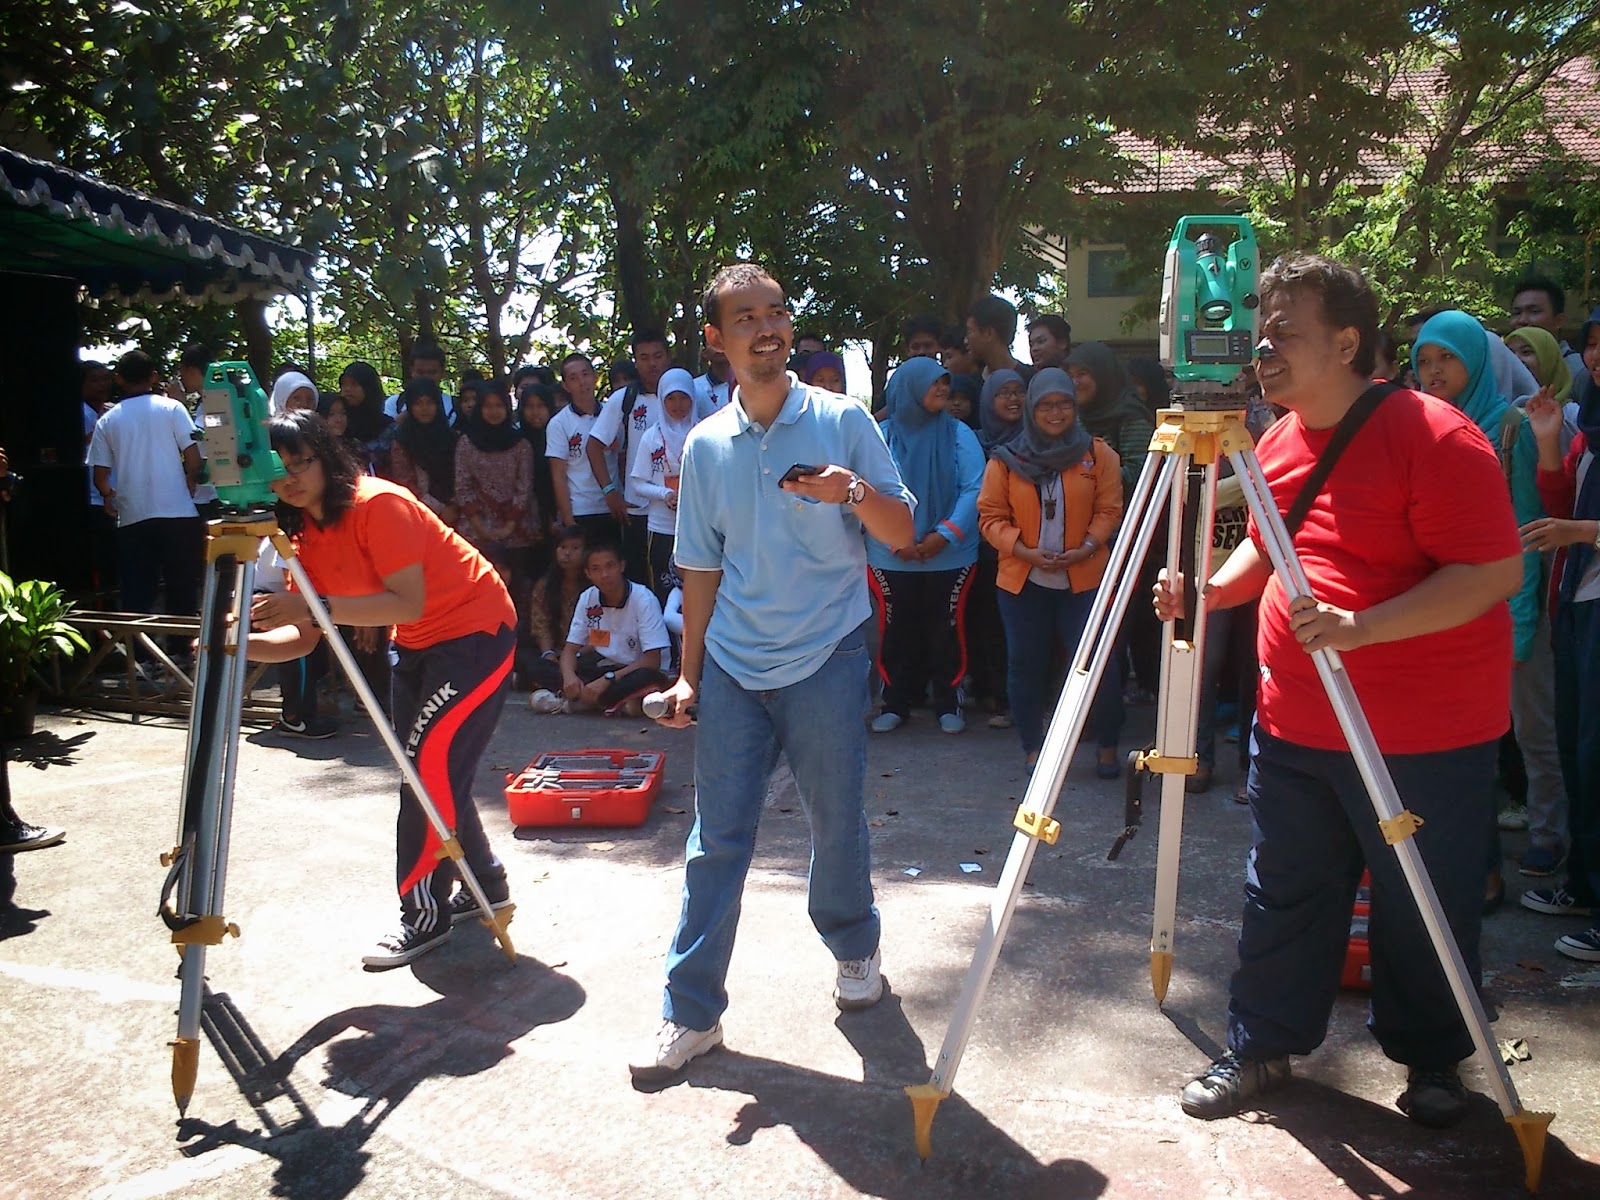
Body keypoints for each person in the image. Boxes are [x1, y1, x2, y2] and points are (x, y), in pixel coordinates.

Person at [1158, 254, 1524, 1130]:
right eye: (1262, 329)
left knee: (1422, 900)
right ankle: (1262, 1043)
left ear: (1348, 341)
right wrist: (1211, 591)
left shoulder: (1435, 436)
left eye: (1285, 329)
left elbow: (1492, 570)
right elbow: (1271, 545)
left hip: (1422, 734)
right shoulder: (1277, 435)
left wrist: (1365, 628)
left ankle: (1434, 1059)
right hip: (1294, 725)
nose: (1262, 346)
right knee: (1282, 889)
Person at [631, 262, 914, 1083]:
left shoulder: (842, 418)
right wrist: (688, 676)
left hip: (827, 653)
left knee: (836, 820)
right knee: (714, 840)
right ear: (717, 340)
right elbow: (700, 570)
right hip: (730, 666)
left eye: (778, 311)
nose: (768, 327)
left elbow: (899, 531)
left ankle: (855, 952)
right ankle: (689, 1014)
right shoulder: (708, 445)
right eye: (746, 317)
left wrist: (850, 490)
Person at [247, 410, 517, 967]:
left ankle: (423, 917)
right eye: (280, 470)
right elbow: (303, 636)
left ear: (326, 456)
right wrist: (237, 647)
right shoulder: (296, 531)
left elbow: (405, 601)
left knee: (423, 777)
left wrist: (312, 606)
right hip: (417, 644)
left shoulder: (378, 504)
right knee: (434, 771)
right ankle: (486, 885)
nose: (293, 478)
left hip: (477, 632)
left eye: (303, 462)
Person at [1413, 311, 1550, 897]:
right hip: (1432, 610)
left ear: (1475, 359)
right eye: (1423, 360)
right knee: (1438, 750)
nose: (1434, 371)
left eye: (1447, 358)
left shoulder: (1508, 427)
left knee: (1496, 746)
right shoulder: (1418, 426)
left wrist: (1518, 628)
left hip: (1493, 612)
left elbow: (1525, 532)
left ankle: (1498, 868)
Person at [978, 368, 1123, 769]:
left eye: (1064, 403)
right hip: (1023, 579)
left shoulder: (1097, 454)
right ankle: (1033, 748)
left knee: (1099, 661)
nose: (1056, 412)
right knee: (1026, 664)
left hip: (1086, 576)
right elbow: (990, 517)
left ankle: (1107, 743)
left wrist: (1088, 546)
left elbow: (1110, 509)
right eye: (1045, 404)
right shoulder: (1006, 461)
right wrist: (1022, 550)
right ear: (1031, 408)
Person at [1518, 304, 1600, 961]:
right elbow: (1558, 509)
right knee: (1580, 749)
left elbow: (1570, 526)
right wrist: (1548, 436)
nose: (1597, 357)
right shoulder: (1589, 429)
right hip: (1576, 603)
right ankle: (1583, 885)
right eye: (1593, 345)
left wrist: (1582, 534)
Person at [865, 357, 985, 734]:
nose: (943, 389)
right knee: (894, 631)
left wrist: (943, 535)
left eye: (945, 383)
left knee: (946, 630)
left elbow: (975, 488)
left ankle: (949, 703)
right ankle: (895, 703)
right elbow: (864, 491)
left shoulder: (958, 434)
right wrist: (893, 539)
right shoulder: (880, 436)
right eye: (934, 383)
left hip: (949, 556)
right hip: (890, 556)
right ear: (910, 388)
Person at [88, 350, 204, 618]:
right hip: (178, 512)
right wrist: (189, 482)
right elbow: (193, 456)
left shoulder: (108, 420)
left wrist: (108, 497)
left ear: (118, 379)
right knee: (182, 587)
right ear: (154, 376)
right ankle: (183, 649)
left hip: (133, 516)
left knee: (137, 589)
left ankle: (140, 654)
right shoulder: (173, 408)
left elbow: (100, 475)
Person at [585, 329, 672, 582]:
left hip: (682, 506)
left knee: (678, 579)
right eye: (643, 357)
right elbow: (593, 445)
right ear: (635, 361)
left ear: (668, 357)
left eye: (657, 356)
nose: (651, 363)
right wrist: (609, 491)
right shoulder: (624, 399)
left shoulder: (688, 393)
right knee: (642, 579)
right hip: (639, 507)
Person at [551, 541, 672, 714]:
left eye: (610, 566)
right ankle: (615, 703)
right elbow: (569, 650)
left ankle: (582, 702)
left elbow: (652, 661)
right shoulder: (588, 597)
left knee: (645, 678)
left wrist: (608, 679)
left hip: (636, 671)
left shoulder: (643, 599)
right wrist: (569, 677)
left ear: (621, 566)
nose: (605, 574)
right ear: (588, 574)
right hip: (604, 665)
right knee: (547, 667)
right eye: (596, 569)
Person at [453, 377, 538, 594]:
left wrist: (508, 525)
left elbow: (524, 487)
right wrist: (482, 527)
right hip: (474, 530)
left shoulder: (521, 444)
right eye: (488, 406)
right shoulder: (466, 443)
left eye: (499, 405)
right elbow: (463, 486)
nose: (493, 411)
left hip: (516, 530)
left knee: (517, 589)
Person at [629, 367, 697, 603]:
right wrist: (664, 494)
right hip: (661, 528)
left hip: (697, 526)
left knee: (697, 589)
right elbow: (638, 483)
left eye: (683, 397)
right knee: (662, 589)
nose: (678, 404)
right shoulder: (651, 437)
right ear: (661, 399)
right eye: (671, 398)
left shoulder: (703, 434)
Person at [520, 524, 587, 705]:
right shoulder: (545, 585)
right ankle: (572, 688)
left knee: (593, 666)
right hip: (553, 653)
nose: (567, 553)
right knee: (526, 659)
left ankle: (553, 687)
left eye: (575, 548)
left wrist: (574, 656)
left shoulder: (594, 587)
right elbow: (540, 624)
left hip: (585, 653)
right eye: (562, 547)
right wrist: (549, 653)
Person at [546, 352, 612, 535]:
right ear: (566, 386)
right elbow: (558, 475)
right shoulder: (559, 423)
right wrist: (568, 520)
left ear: (595, 376)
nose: (582, 382)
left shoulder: (612, 414)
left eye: (585, 374)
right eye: (573, 378)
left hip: (613, 504)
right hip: (581, 510)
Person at [387, 378, 460, 527]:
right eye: (418, 403)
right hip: (418, 517)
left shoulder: (454, 439)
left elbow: (464, 477)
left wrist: (454, 506)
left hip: (459, 515)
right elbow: (406, 483)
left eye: (429, 403)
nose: (424, 408)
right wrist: (440, 509)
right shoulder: (403, 441)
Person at [1510, 275, 1586, 385]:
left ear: (1559, 320)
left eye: (1534, 311)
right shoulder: (1505, 366)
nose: (1522, 320)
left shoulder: (1579, 371)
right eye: (1516, 313)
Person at [517, 379, 559, 574]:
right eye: (529, 407)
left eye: (541, 406)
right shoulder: (516, 440)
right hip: (526, 520)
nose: (535, 412)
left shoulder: (560, 435)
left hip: (560, 512)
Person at [337, 361, 397, 475]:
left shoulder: (389, 429)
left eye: (354, 384)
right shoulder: (337, 425)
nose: (347, 389)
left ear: (368, 388)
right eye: (344, 384)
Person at [383, 340, 453, 420]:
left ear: (442, 372)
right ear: (412, 371)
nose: (426, 378)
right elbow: (387, 430)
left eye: (432, 373)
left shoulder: (454, 406)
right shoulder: (394, 403)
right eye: (421, 373)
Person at [967, 295, 1025, 378]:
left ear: (988, 333)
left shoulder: (1032, 381)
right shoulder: (970, 384)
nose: (966, 340)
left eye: (970, 331)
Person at [693, 342, 733, 416]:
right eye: (713, 343)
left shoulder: (746, 387)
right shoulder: (694, 388)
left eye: (723, 341)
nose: (719, 348)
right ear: (704, 353)